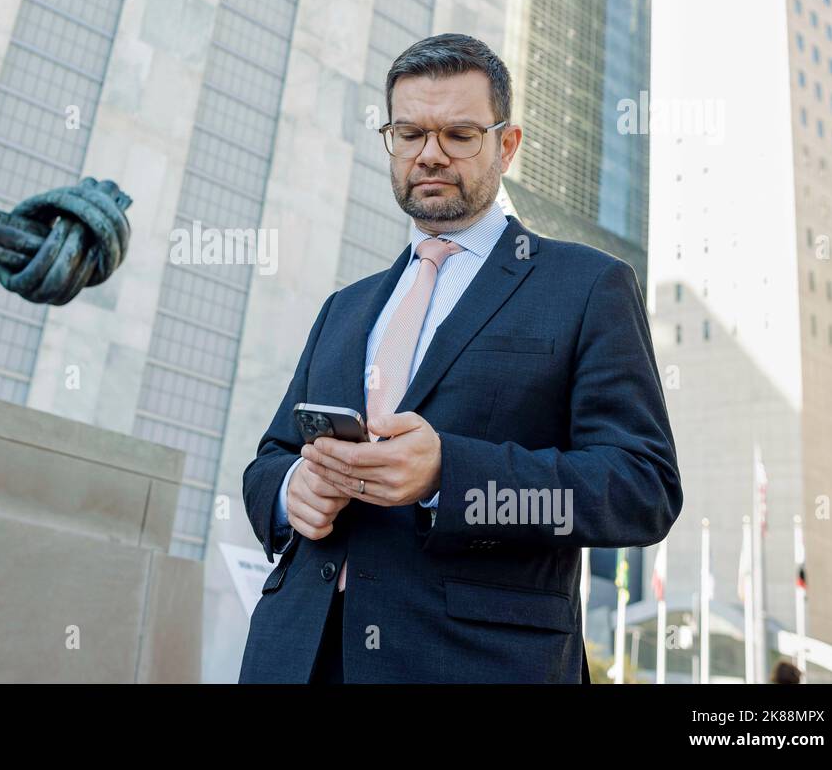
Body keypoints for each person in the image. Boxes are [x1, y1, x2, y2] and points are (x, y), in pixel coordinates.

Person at [238, 33, 682, 683]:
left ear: (507, 144)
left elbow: (642, 487)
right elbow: (270, 457)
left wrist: (452, 475)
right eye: (410, 132)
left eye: (459, 135)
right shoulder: (345, 307)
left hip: (474, 662)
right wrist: (288, 491)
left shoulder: (587, 286)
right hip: (296, 655)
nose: (430, 155)